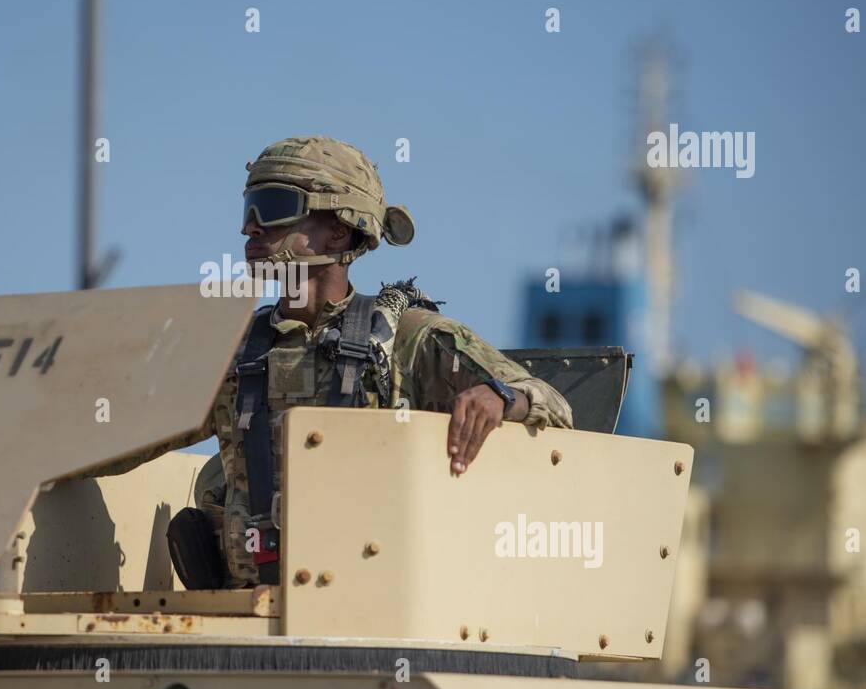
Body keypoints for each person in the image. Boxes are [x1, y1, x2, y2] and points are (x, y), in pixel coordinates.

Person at [84, 136, 572, 588]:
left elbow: (552, 405)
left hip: (376, 613)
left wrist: (500, 397)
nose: (251, 226)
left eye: (274, 207)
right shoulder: (229, 350)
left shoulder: (407, 339)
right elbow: (119, 434)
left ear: (339, 234)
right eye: (248, 208)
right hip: (244, 618)